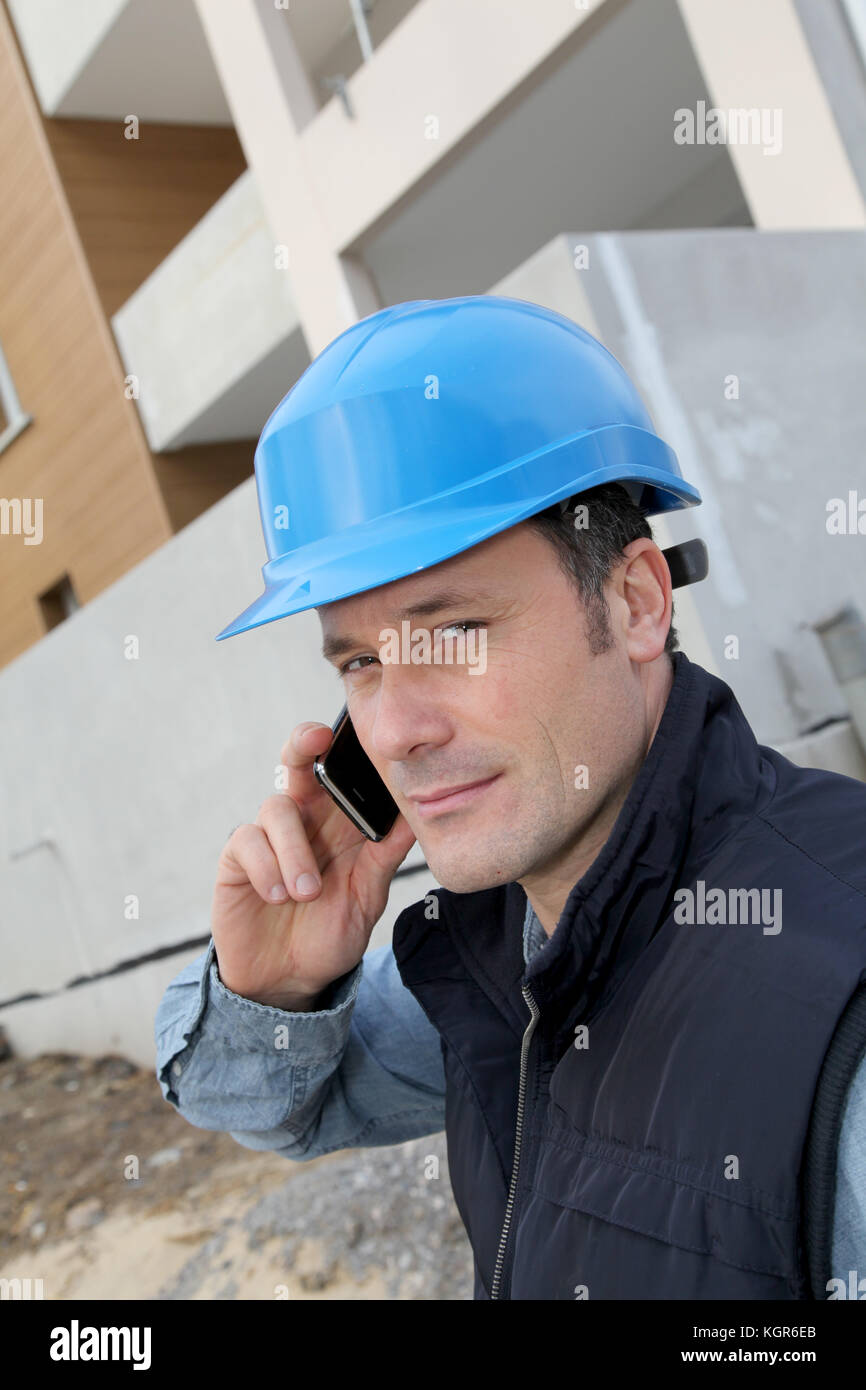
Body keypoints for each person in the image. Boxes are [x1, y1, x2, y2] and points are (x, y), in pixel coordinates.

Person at [155, 296, 866, 1300]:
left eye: (451, 633)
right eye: (358, 660)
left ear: (633, 602)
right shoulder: (499, 950)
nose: (394, 730)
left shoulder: (838, 991)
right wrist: (276, 989)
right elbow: (277, 1108)